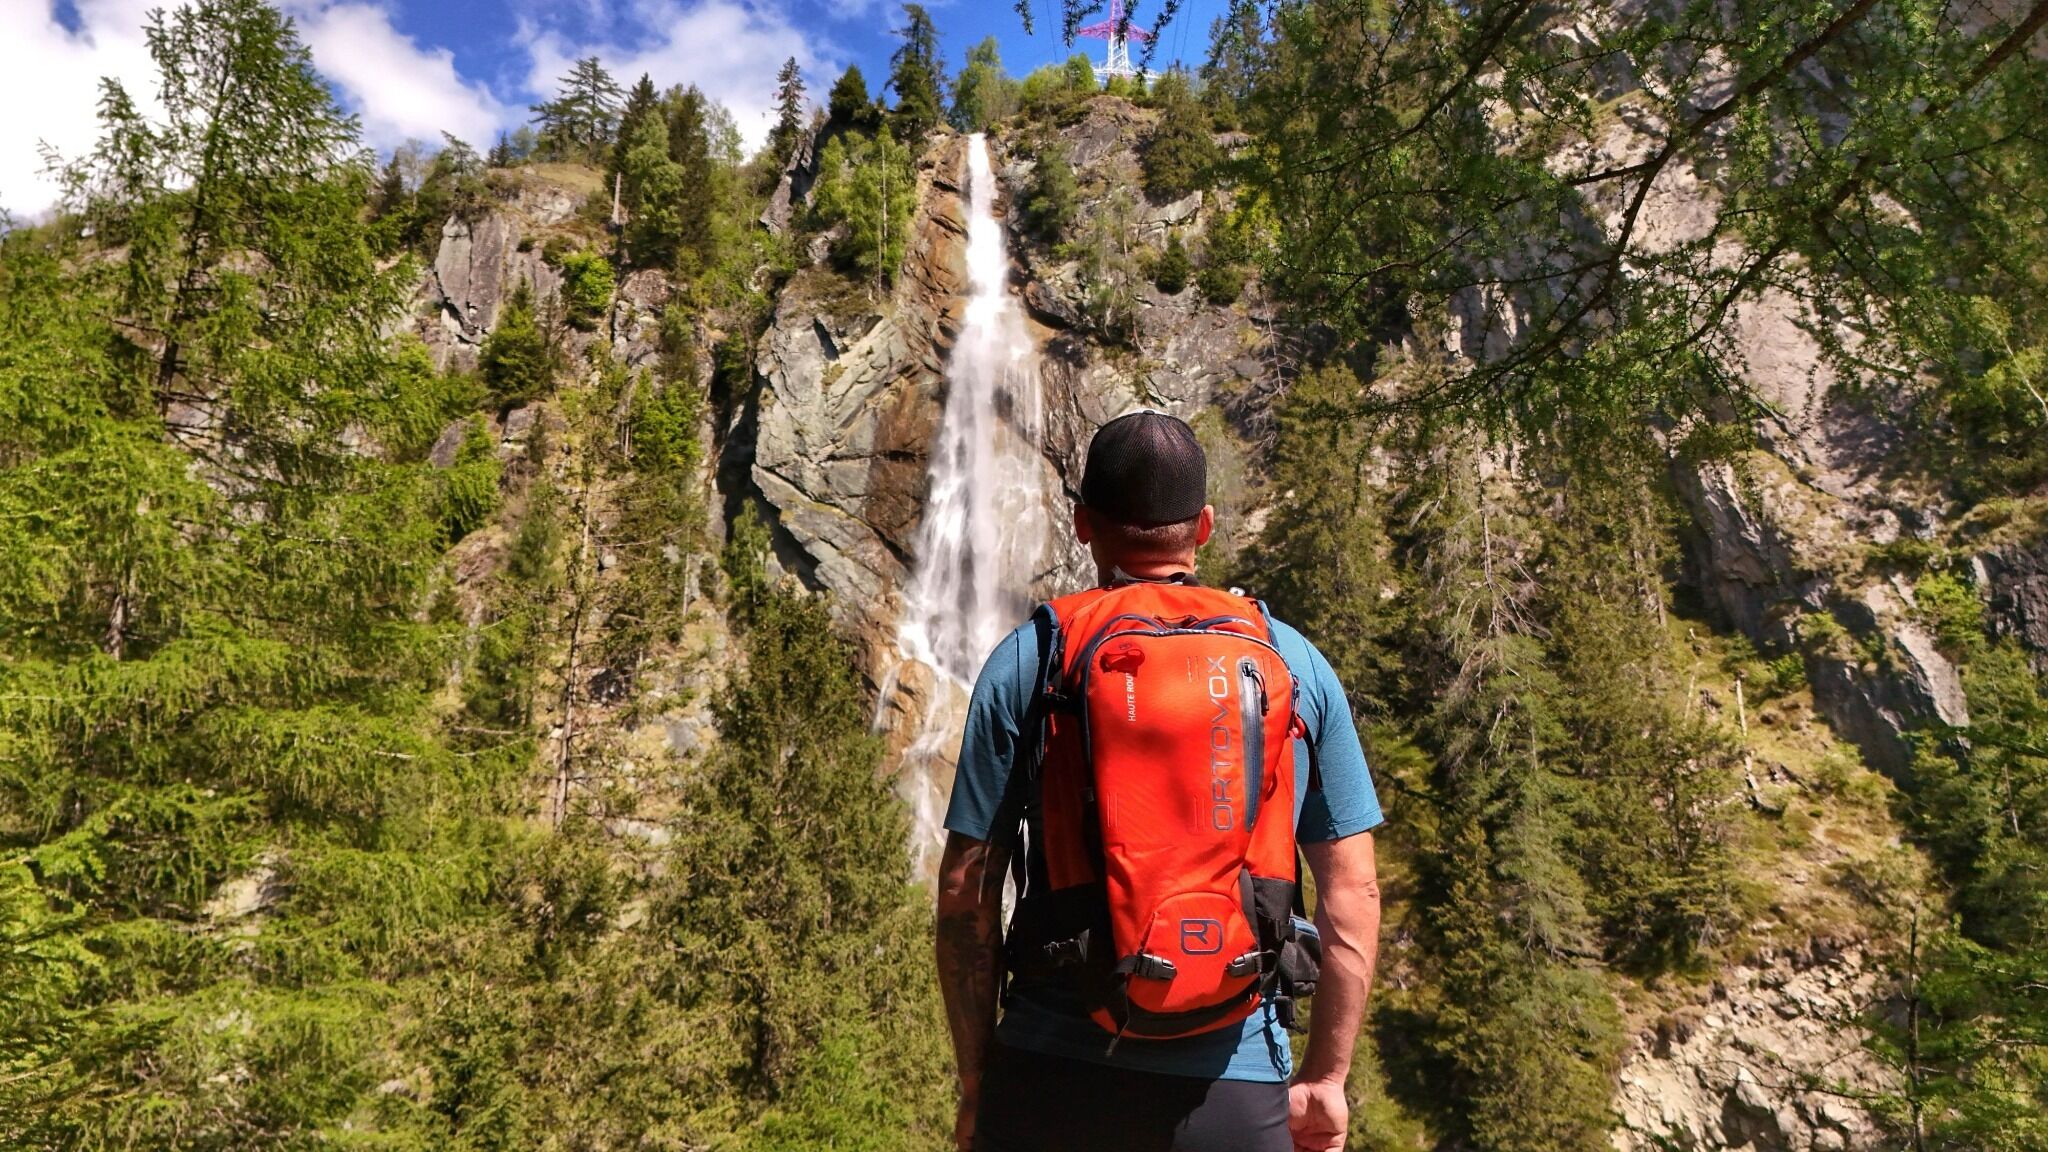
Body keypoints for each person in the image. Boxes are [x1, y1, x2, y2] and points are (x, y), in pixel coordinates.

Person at [935, 410, 1384, 1152]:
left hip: (1053, 1071)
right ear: (1202, 526)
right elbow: (1353, 893)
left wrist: (982, 1083)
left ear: (1082, 523)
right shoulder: (1292, 661)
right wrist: (1326, 1078)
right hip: (1234, 1081)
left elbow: (966, 894)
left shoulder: (1030, 659)